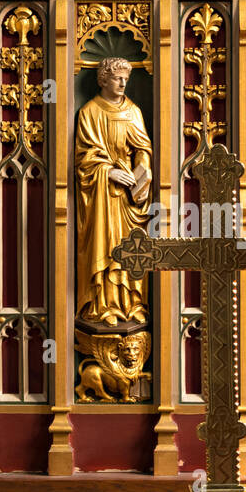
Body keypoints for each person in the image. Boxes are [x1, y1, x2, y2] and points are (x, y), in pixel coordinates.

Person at [74, 57, 153, 325]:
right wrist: (107, 171)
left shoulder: (133, 111)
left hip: (130, 198)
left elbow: (143, 148)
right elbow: (83, 158)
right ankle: (104, 305)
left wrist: (142, 171)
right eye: (117, 78)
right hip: (102, 197)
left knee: (133, 248)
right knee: (105, 246)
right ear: (103, 79)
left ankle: (133, 303)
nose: (122, 84)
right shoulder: (89, 112)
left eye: (126, 80)